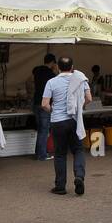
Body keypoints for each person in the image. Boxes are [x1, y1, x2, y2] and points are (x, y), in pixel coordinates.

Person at [42, 56, 92, 196]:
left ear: (58, 67)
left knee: (60, 154)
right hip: (75, 120)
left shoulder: (51, 82)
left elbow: (44, 104)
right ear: (72, 66)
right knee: (78, 150)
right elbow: (89, 98)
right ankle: (79, 176)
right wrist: (79, 108)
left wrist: (53, 110)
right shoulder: (81, 80)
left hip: (58, 122)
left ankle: (60, 186)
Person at [28, 53, 57, 161]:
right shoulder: (51, 75)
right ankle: (42, 154)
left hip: (36, 102)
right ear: (53, 62)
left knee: (40, 129)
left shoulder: (37, 71)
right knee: (44, 130)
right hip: (45, 103)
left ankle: (38, 152)